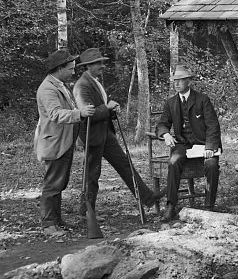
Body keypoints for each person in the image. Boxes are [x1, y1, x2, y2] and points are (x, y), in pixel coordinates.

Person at [72, 47, 165, 218]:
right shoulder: (81, 86)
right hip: (92, 136)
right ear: (89, 65)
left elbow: (101, 109)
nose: (102, 66)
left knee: (125, 165)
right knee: (92, 175)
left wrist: (112, 110)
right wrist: (107, 109)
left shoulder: (94, 81)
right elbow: (87, 113)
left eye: (101, 62)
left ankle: (148, 198)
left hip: (105, 133)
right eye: (98, 63)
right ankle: (86, 212)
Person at [34, 49, 94, 232]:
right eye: (70, 68)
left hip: (63, 141)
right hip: (55, 143)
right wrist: (80, 113)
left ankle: (56, 219)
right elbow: (55, 114)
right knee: (52, 184)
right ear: (59, 68)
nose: (73, 71)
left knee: (60, 182)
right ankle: (48, 224)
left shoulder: (58, 84)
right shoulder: (48, 89)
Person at [154, 65, 223, 221]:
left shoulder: (202, 100)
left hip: (204, 144)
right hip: (183, 145)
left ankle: (209, 206)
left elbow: (213, 125)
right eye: (174, 81)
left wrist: (210, 147)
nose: (176, 84)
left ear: (189, 82)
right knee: (173, 162)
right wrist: (165, 134)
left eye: (180, 80)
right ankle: (171, 206)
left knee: (212, 164)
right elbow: (162, 123)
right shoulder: (171, 102)